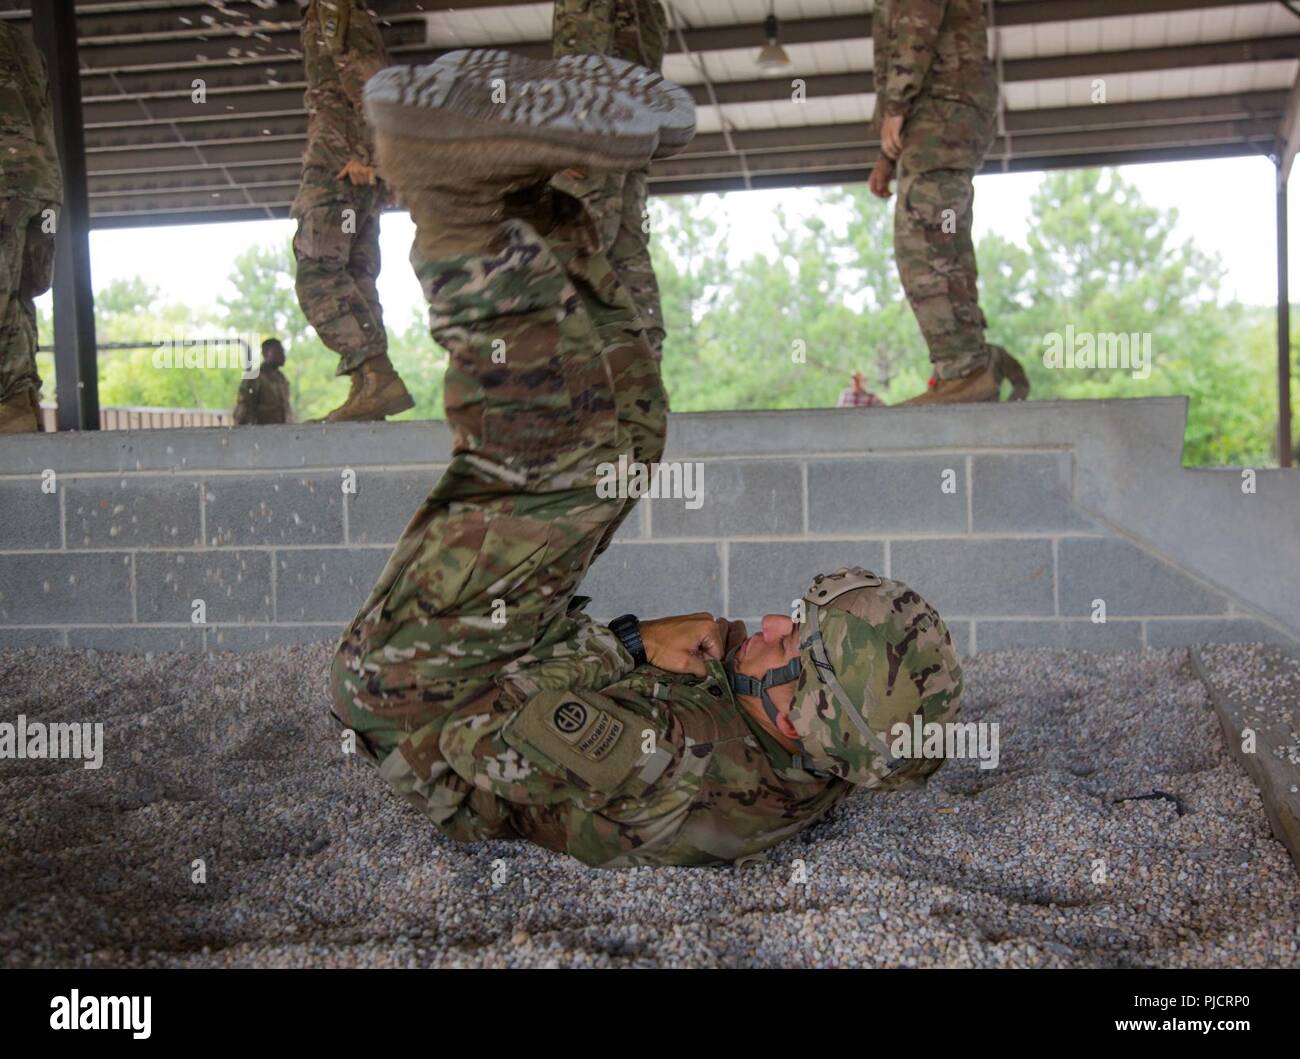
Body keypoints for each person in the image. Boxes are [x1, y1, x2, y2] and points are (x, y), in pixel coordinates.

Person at [328, 49, 965, 869]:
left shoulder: (677, 771)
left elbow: (481, 725)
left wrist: (625, 643)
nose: (769, 624)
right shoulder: (814, 728)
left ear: (797, 712)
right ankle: (526, 198)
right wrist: (644, 645)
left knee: (565, 468)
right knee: (634, 439)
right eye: (795, 620)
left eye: (790, 644)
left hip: (410, 692)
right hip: (496, 666)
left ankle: (448, 194)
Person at [867, 0, 1029, 405]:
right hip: (942, 110)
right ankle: (966, 368)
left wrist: (895, 105)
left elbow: (917, 21)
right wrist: (889, 155)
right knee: (941, 242)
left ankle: (965, 369)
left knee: (923, 245)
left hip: (940, 107)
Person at [292, 0, 413, 422]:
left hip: (340, 165)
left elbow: (366, 80)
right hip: (353, 167)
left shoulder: (331, 7)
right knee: (355, 276)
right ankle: (370, 388)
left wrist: (366, 156)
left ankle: (375, 375)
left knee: (318, 274)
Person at [552, 0, 669, 358]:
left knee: (577, 244)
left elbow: (580, 63)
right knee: (624, 247)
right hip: (633, 129)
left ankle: (574, 375)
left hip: (595, 129)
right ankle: (640, 377)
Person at [0, 20, 61, 435]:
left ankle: (13, 408)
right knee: (22, 292)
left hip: (13, 189)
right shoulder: (21, 43)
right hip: (38, 191)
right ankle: (18, 406)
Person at [232, 338, 293, 425]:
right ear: (266, 353)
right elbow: (244, 409)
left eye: (282, 352)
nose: (283, 356)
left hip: (282, 431)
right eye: (279, 352)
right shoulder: (254, 378)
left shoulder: (281, 378)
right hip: (261, 432)